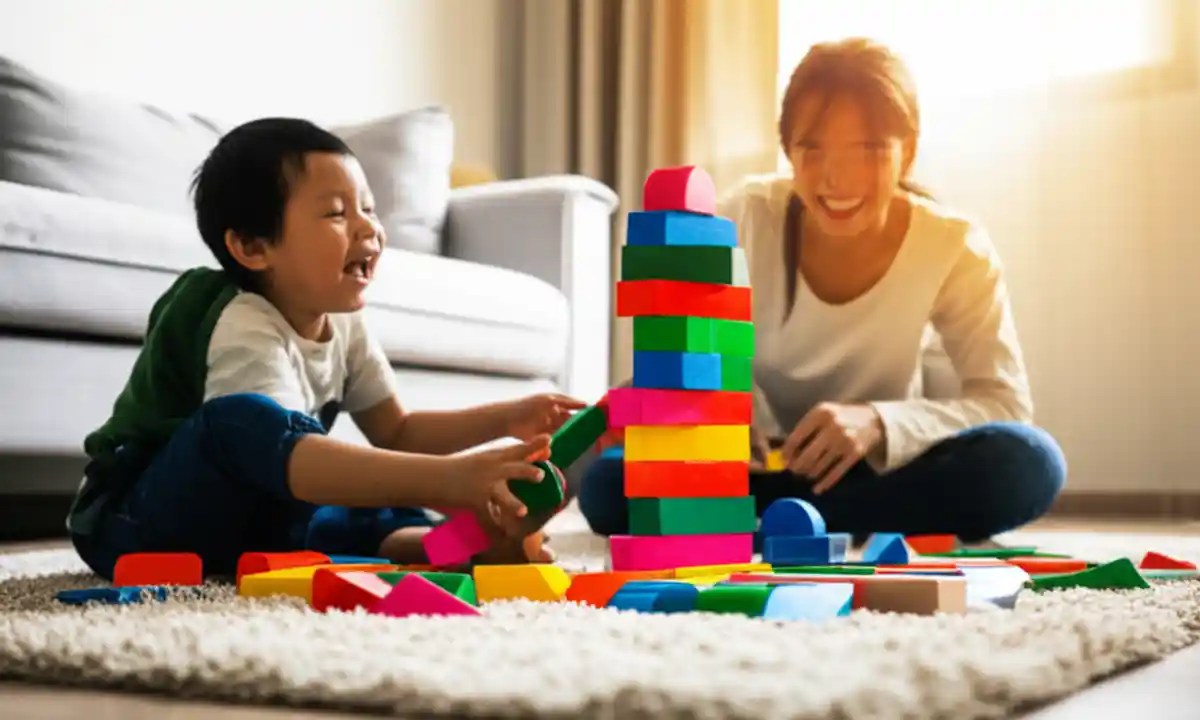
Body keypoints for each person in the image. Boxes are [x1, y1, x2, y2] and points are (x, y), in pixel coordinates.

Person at [577, 38, 1066, 543]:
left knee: (1029, 461)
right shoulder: (741, 218)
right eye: (812, 148)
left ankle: (777, 525)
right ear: (787, 149)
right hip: (758, 466)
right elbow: (679, 360)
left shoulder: (955, 245)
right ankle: (819, 521)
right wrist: (710, 404)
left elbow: (1004, 404)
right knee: (608, 485)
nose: (837, 179)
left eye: (869, 149)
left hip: (881, 466)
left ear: (908, 151)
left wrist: (878, 423)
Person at [67, 118, 584, 580]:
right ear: (252, 247)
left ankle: (442, 548)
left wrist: (510, 418)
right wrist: (452, 481)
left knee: (359, 501)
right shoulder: (241, 322)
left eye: (368, 208)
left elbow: (398, 431)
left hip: (249, 529)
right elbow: (272, 457)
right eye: (337, 213)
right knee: (244, 422)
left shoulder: (345, 322)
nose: (368, 228)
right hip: (137, 523)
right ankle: (440, 512)